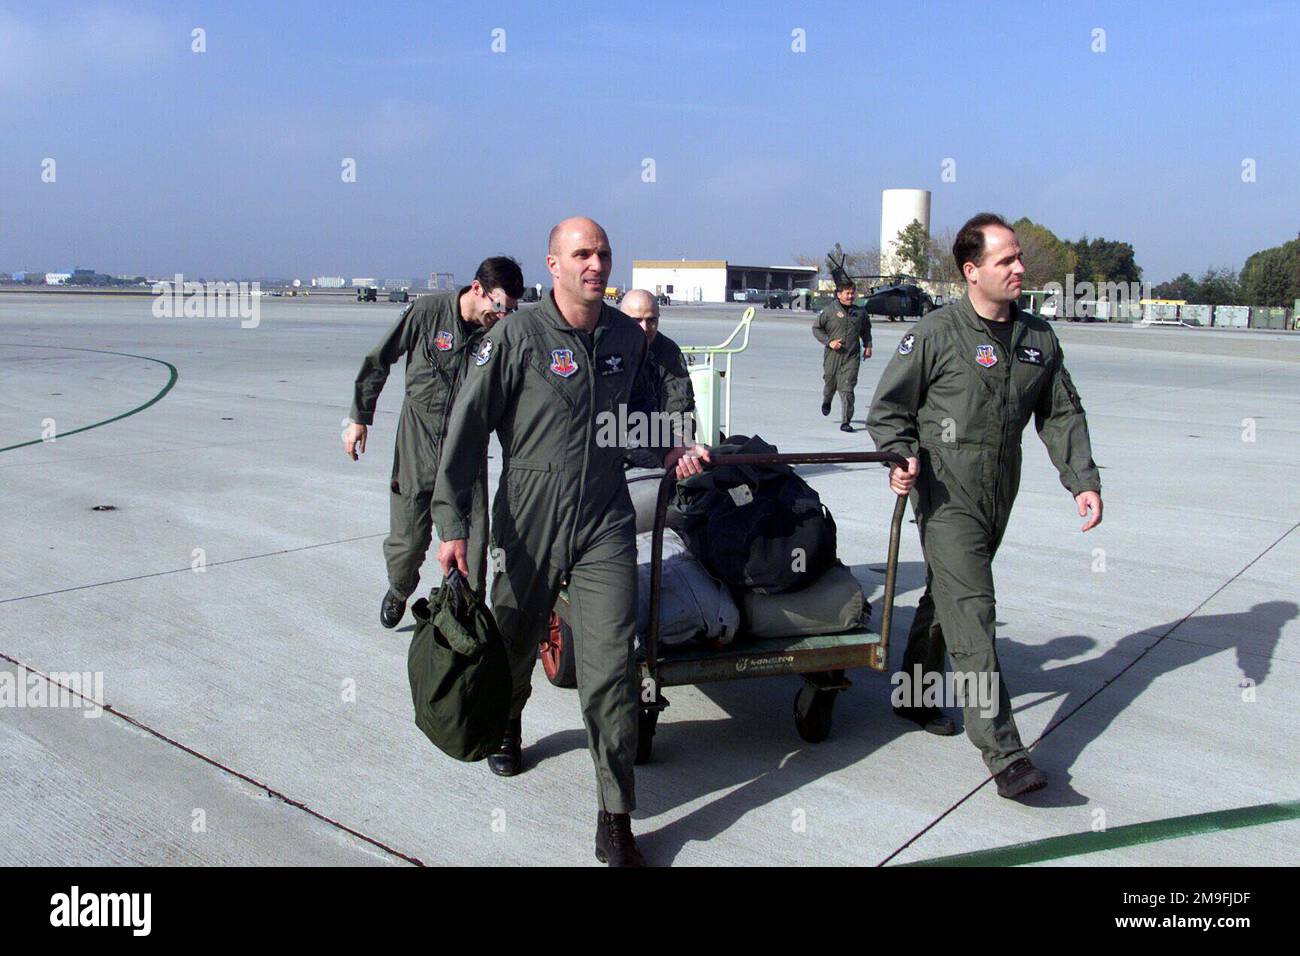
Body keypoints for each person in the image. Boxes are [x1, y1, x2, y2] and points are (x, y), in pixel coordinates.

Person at [432, 217, 709, 866]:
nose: (595, 263)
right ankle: (508, 717)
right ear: (553, 264)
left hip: (604, 520)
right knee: (514, 638)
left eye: (604, 253)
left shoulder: (625, 335)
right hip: (529, 515)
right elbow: (467, 429)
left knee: (611, 664)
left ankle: (615, 814)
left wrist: (678, 441)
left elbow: (659, 398)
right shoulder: (517, 337)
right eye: (581, 253)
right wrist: (451, 525)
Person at [866, 212, 1103, 800]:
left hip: (1001, 488)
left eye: (1019, 257)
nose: (1020, 267)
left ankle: (913, 693)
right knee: (975, 610)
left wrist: (1083, 480)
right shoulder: (936, 333)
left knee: (949, 597)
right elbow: (888, 410)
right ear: (972, 272)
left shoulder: (1038, 340)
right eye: (1006, 260)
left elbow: (1061, 413)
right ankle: (1003, 750)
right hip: (945, 490)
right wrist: (900, 456)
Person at [344, 257, 524, 627]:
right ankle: (399, 588)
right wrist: (360, 417)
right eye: (500, 306)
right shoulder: (428, 313)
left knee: (471, 544)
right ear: (478, 289)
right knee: (407, 539)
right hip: (417, 443)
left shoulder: (501, 335)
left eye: (512, 310)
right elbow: (380, 359)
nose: (503, 316)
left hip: (466, 452)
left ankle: (465, 616)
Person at [618, 288, 696, 467]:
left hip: (657, 437)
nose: (644, 328)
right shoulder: (608, 348)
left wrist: (679, 446)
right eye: (636, 320)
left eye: (651, 320)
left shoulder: (667, 351)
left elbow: (679, 407)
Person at [813, 279, 872, 432]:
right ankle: (827, 400)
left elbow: (866, 330)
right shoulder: (829, 311)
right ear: (839, 295)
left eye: (852, 293)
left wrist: (868, 346)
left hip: (851, 356)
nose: (850, 296)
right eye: (847, 293)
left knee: (847, 388)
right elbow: (816, 329)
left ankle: (846, 421)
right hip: (833, 355)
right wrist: (829, 342)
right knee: (830, 383)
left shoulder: (860, 313)